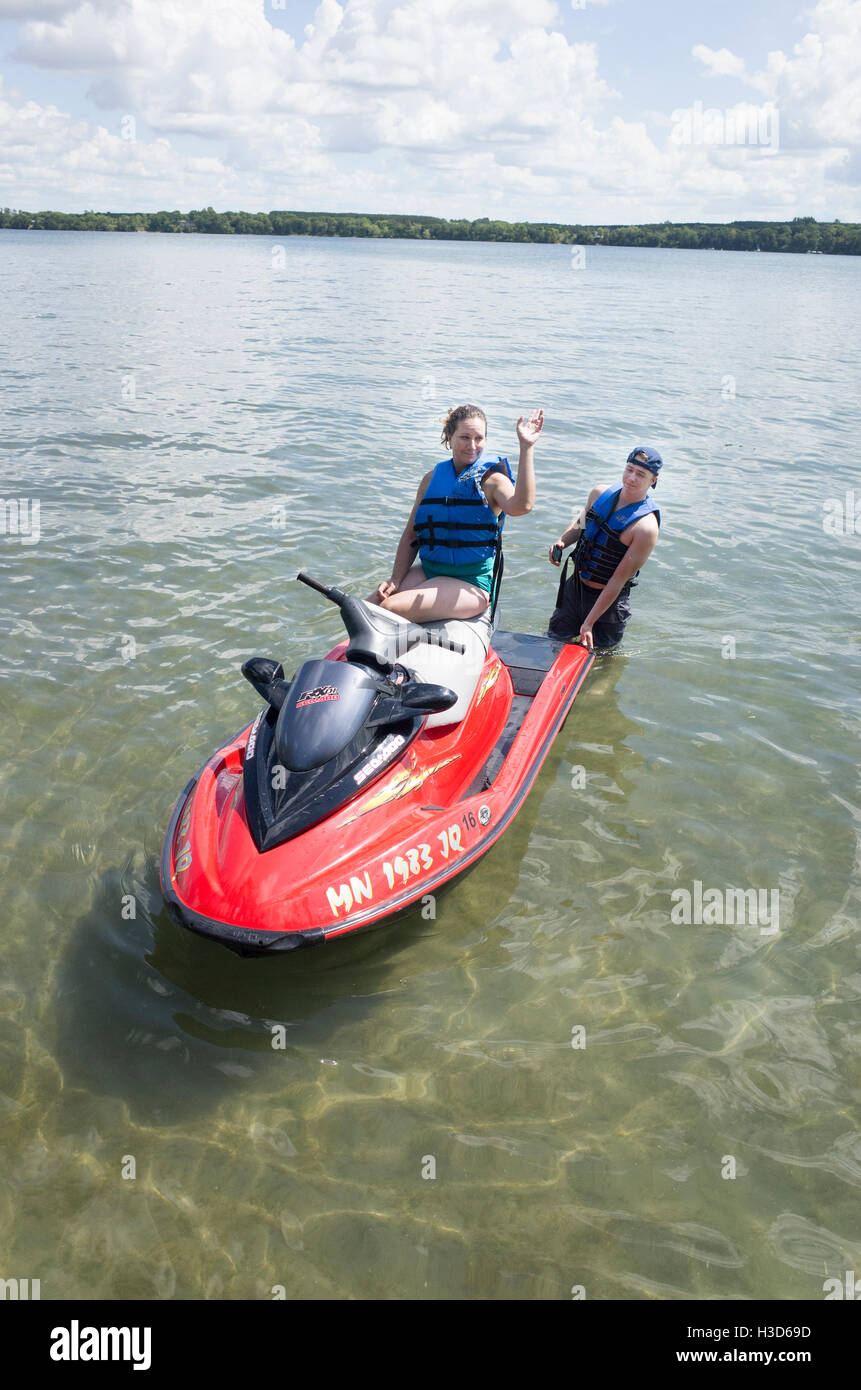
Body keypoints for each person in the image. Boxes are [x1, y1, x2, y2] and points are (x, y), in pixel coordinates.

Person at [370, 404, 544, 623]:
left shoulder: (493, 481)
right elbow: (411, 536)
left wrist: (526, 447)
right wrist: (395, 579)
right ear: (449, 438)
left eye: (479, 438)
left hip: (471, 582)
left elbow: (522, 505)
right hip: (429, 570)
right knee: (367, 606)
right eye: (464, 437)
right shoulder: (430, 479)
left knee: (389, 608)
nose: (472, 445)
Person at [547, 446, 662, 651]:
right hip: (575, 589)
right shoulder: (599, 494)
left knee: (601, 658)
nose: (631, 478)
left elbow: (618, 580)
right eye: (629, 469)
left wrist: (589, 622)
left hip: (609, 606)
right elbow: (582, 523)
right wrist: (563, 541)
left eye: (640, 474)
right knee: (552, 643)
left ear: (653, 480)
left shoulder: (646, 528)